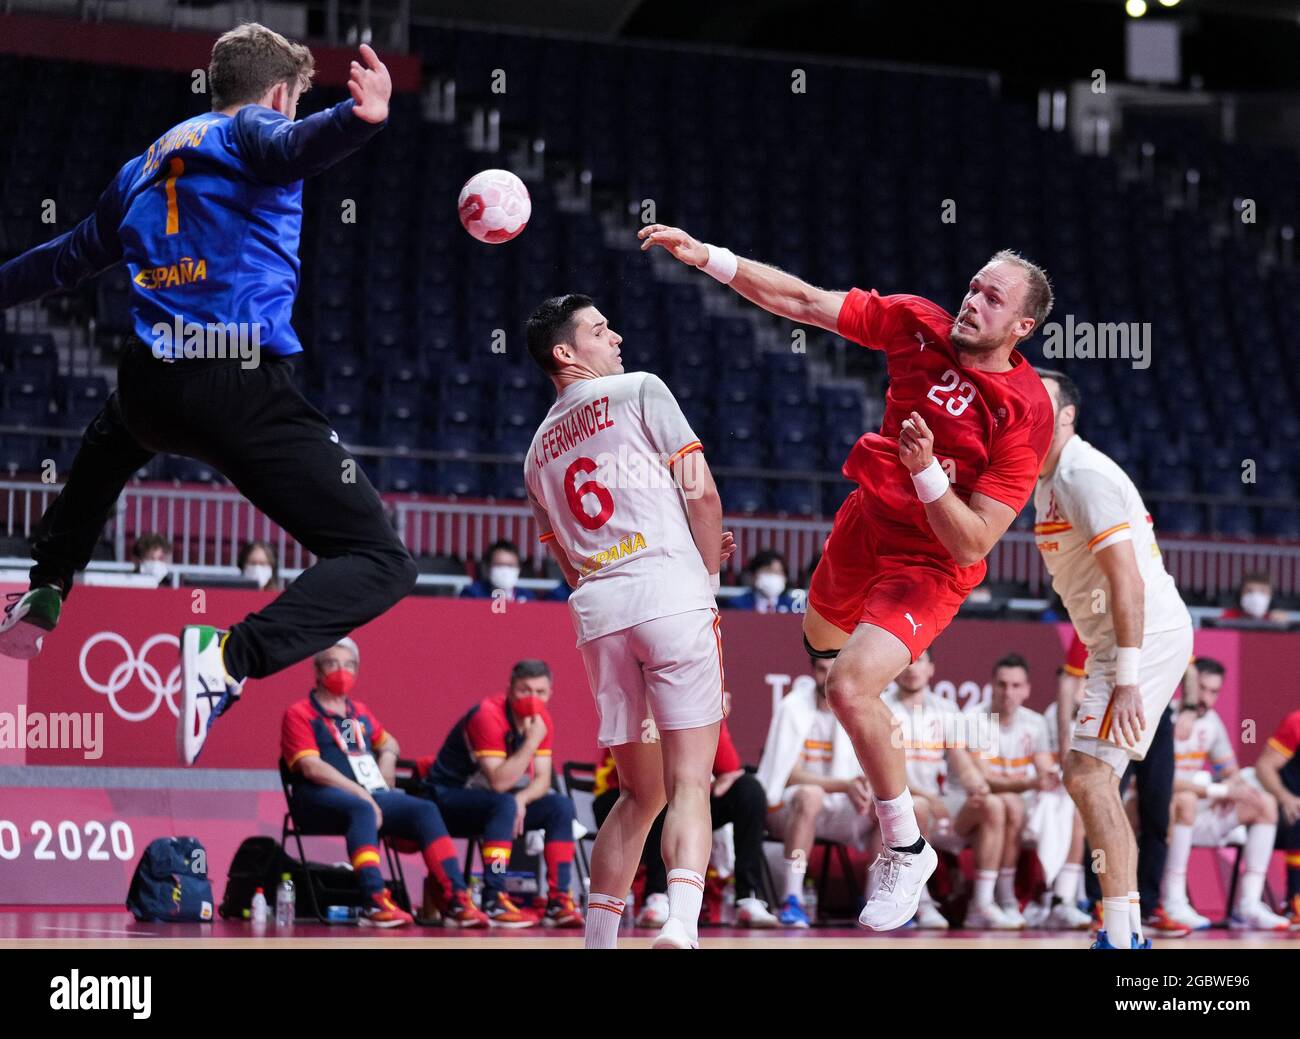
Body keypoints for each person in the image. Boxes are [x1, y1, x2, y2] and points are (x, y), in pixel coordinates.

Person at [0, 24, 417, 767]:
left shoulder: (141, 167)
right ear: (281, 93)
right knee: (381, 559)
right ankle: (230, 656)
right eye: (294, 103)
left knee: (110, 438)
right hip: (234, 375)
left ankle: (48, 580)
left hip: (154, 380)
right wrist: (359, 119)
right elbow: (293, 148)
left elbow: (65, 260)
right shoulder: (256, 128)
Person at [640, 224, 1055, 930]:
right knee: (820, 646)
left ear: (1021, 325)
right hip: (866, 523)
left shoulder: (1024, 411)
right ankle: (872, 732)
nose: (972, 300)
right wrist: (707, 256)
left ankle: (906, 844)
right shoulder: (916, 323)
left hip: (930, 563)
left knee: (850, 685)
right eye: (974, 286)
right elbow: (802, 300)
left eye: (993, 298)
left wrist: (925, 472)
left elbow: (974, 539)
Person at [523, 293, 732, 950]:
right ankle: (680, 921)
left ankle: (598, 941)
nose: (616, 336)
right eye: (598, 328)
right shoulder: (641, 388)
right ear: (565, 352)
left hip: (602, 614)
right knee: (690, 780)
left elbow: (564, 557)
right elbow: (698, 488)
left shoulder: (533, 455)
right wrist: (708, 577)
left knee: (639, 794)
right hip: (671, 591)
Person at [1031, 368, 1195, 950]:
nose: (1023, 403)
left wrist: (1127, 677)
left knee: (1089, 776)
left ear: (1068, 416)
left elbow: (1125, 579)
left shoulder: (1084, 474)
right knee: (1093, 779)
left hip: (1142, 635)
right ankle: (1124, 930)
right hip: (1120, 639)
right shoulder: (1043, 477)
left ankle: (1124, 938)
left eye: (1039, 399)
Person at [280, 638, 488, 928]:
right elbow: (311, 767)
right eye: (332, 663)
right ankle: (374, 901)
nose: (342, 671)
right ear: (317, 670)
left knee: (424, 810)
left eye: (349, 665)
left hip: (369, 795)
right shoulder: (300, 713)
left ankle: (456, 898)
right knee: (361, 809)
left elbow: (389, 742)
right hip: (316, 797)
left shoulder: (358, 714)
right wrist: (362, 795)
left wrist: (387, 759)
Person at [417, 659, 583, 929]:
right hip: (447, 799)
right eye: (524, 690)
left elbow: (542, 780)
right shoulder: (488, 715)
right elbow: (499, 781)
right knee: (504, 802)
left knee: (559, 807)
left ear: (550, 693)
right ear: (509, 689)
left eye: (540, 692)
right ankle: (494, 897)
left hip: (495, 805)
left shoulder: (542, 721)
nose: (532, 698)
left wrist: (522, 798)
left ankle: (558, 901)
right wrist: (530, 742)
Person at [591, 704, 778, 929]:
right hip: (622, 796)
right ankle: (657, 896)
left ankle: (748, 897)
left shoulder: (700, 697)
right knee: (660, 789)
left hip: (681, 793)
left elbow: (729, 770)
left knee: (749, 790)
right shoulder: (641, 695)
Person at [1161, 657, 1289, 931]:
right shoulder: (1165, 717)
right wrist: (1217, 789)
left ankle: (1249, 905)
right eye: (1203, 689)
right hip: (1162, 817)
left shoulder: (1213, 723)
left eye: (1214, 691)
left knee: (1264, 803)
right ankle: (1173, 900)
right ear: (1188, 688)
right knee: (1185, 800)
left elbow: (1229, 771)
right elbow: (1157, 783)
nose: (1207, 698)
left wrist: (1240, 788)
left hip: (1198, 815)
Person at [757, 656, 875, 927]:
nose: (827, 678)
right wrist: (845, 785)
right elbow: (789, 776)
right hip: (787, 809)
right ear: (812, 671)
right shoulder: (793, 707)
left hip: (839, 809)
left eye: (833, 671)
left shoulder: (859, 710)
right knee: (810, 794)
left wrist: (865, 787)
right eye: (822, 670)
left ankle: (875, 904)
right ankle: (792, 896)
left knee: (885, 807)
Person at [882, 648, 989, 929]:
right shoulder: (881, 707)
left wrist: (976, 784)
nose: (912, 668)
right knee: (919, 806)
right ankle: (922, 904)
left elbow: (959, 759)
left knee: (991, 807)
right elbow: (885, 769)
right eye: (905, 662)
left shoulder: (946, 709)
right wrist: (929, 796)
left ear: (931, 669)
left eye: (919, 661)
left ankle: (986, 903)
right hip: (898, 799)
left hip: (938, 801)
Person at [1254, 708, 1300, 926]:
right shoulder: (1296, 722)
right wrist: (1285, 797)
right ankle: (1295, 900)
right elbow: (1264, 766)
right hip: (1287, 811)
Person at [724, 549, 798, 613]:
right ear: (754, 575)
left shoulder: (793, 608)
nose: (773, 576)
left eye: (777, 572)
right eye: (768, 571)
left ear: (785, 577)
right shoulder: (737, 605)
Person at [459, 539, 533, 602]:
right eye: (499, 565)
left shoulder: (528, 597)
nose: (505, 571)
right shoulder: (472, 594)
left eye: (510, 565)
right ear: (487, 567)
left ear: (519, 569)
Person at [1219, 572, 1289, 626]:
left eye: (1263, 591)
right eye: (1249, 591)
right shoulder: (1229, 616)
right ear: (1240, 595)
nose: (1255, 596)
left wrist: (1282, 625)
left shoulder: (1276, 619)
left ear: (1271, 596)